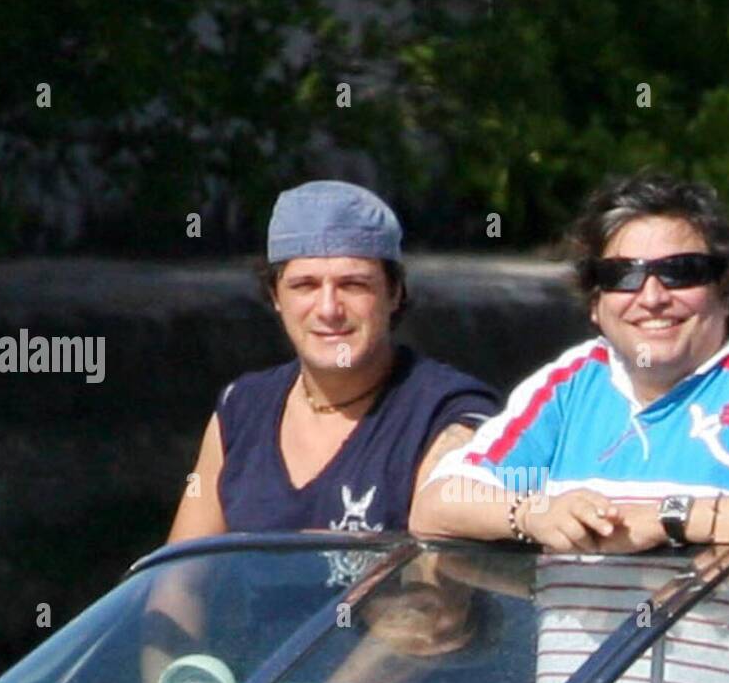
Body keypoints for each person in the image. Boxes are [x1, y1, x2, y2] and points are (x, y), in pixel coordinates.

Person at [410, 169, 729, 549]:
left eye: (681, 272)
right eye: (623, 275)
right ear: (595, 301)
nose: (652, 297)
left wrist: (669, 518)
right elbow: (437, 505)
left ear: (725, 290)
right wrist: (532, 514)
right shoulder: (569, 383)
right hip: (583, 673)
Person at [167, 179, 499, 542]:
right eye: (305, 285)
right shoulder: (241, 409)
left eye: (353, 285)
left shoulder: (446, 413)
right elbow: (179, 584)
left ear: (394, 293)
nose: (329, 310)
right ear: (275, 295)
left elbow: (437, 584)